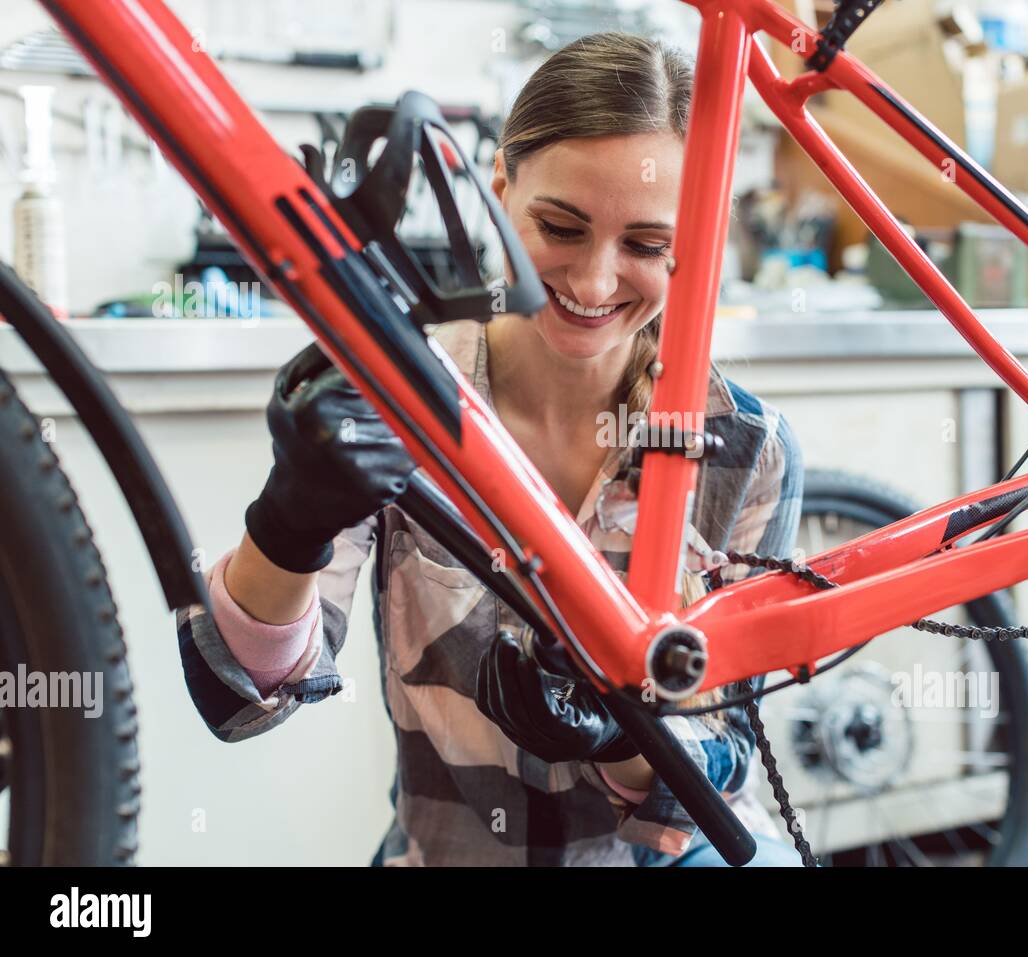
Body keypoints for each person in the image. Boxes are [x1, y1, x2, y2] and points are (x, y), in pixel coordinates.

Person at [175, 31, 805, 867]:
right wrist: (289, 524)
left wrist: (619, 732)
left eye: (648, 246)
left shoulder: (745, 447)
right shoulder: (399, 398)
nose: (591, 281)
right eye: (560, 226)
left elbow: (712, 770)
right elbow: (235, 701)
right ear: (498, 185)